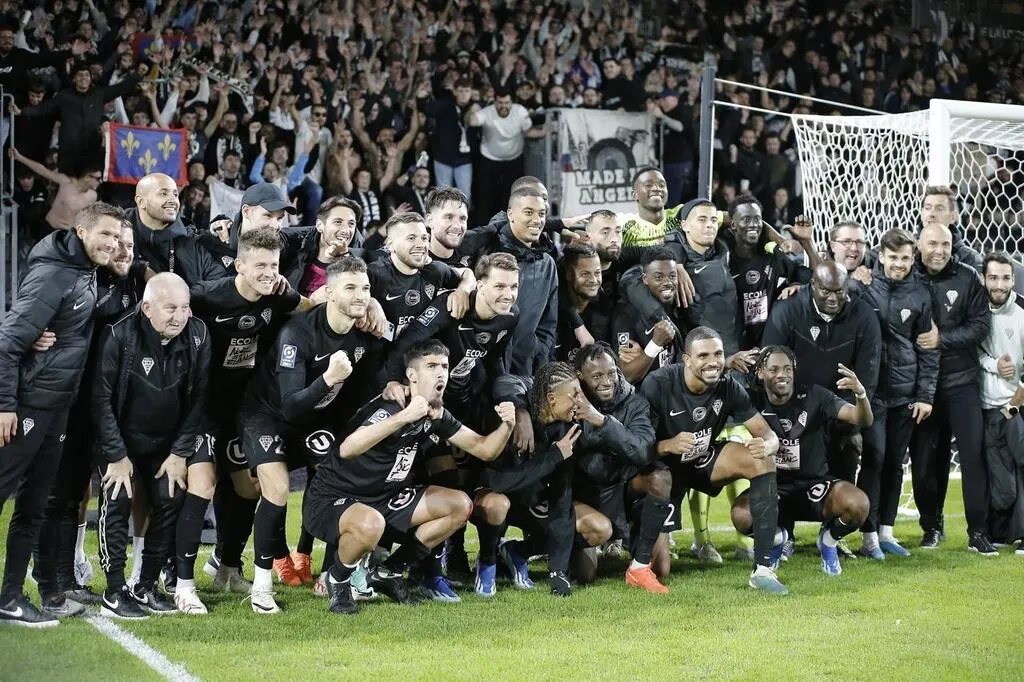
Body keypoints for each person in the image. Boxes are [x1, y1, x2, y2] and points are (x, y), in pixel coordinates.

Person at [303, 340, 517, 615]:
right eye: (431, 366)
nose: (441, 373)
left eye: (444, 366)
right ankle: (338, 578)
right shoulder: (392, 405)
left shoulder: (434, 411)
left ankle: (388, 572)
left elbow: (484, 449)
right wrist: (403, 417)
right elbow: (347, 448)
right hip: (334, 498)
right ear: (412, 375)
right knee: (370, 524)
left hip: (384, 498)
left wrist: (507, 426)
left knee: (460, 505)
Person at [0, 202, 122, 628]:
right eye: (105, 234)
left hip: (56, 407)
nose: (112, 243)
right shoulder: (55, 272)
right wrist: (5, 406)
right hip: (27, 406)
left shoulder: (83, 270)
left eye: (118, 237)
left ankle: (11, 597)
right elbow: (7, 342)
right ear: (82, 231)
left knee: (33, 507)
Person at [239, 257, 385, 613]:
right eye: (351, 288)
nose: (360, 295)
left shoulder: (363, 330)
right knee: (274, 489)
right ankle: (261, 586)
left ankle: (332, 576)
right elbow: (289, 405)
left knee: (341, 475)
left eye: (365, 288)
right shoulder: (298, 334)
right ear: (329, 292)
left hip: (314, 417)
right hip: (269, 416)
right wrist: (329, 378)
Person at [380, 253, 520, 599]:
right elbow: (407, 342)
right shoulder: (452, 306)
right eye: (500, 285)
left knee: (460, 487)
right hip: (424, 410)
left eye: (514, 286)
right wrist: (393, 382)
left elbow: (496, 362)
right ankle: (424, 570)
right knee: (438, 483)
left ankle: (445, 561)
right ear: (480, 284)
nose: (508, 293)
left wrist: (507, 401)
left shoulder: (508, 320)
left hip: (462, 412)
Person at [185, 228, 307, 612]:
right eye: (260, 265)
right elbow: (163, 313)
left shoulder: (278, 294)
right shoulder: (207, 295)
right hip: (201, 406)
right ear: (239, 265)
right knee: (199, 486)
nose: (268, 272)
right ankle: (177, 580)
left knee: (246, 489)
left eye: (273, 265)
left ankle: (227, 568)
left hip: (243, 407)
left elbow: (306, 305)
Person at [33, 223, 145, 613]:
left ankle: (65, 578)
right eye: (117, 245)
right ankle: (50, 581)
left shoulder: (136, 282)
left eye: (130, 245)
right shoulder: (80, 282)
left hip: (104, 404)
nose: (124, 251)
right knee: (59, 493)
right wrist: (36, 333)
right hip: (68, 401)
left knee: (75, 490)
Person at [91, 273, 211, 618]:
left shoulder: (199, 335)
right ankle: (114, 593)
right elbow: (100, 401)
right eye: (170, 307)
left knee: (170, 499)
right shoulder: (119, 335)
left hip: (166, 444)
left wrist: (179, 453)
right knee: (117, 499)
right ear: (146, 308)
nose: (180, 316)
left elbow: (200, 400)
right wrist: (116, 456)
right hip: (121, 442)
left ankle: (144, 587)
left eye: (185, 308)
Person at [639, 327, 789, 594]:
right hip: (664, 472)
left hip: (701, 461)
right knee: (660, 569)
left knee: (763, 460)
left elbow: (769, 435)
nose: (713, 362)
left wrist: (765, 445)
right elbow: (638, 447)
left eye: (718, 354)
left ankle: (763, 569)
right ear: (686, 360)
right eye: (704, 355)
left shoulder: (728, 386)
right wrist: (667, 445)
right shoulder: (658, 384)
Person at [739, 346, 873, 575]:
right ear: (761, 373)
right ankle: (778, 539)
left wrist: (860, 394)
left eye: (787, 369)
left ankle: (828, 541)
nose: (782, 374)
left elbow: (862, 418)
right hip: (772, 487)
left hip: (814, 486)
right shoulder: (750, 399)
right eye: (774, 369)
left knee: (858, 504)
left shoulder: (815, 395)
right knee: (741, 515)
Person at [850, 229, 938, 559]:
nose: (899, 264)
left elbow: (929, 349)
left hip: (905, 393)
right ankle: (868, 535)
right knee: (874, 458)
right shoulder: (863, 286)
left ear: (911, 258)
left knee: (896, 464)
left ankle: (886, 531)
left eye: (905, 258)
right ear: (881, 256)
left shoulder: (921, 294)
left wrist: (926, 395)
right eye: (893, 257)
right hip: (871, 395)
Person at [910, 224, 994, 553]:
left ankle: (978, 531)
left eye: (945, 243)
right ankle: (931, 526)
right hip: (922, 388)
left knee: (973, 456)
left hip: (962, 383)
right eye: (932, 243)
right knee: (926, 458)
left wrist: (941, 339)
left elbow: (980, 325)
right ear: (920, 244)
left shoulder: (969, 277)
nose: (939, 250)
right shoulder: (907, 275)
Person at [762, 261, 882, 483]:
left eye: (839, 291)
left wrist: (852, 428)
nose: (833, 298)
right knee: (784, 491)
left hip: (839, 416)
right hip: (792, 416)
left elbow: (867, 378)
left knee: (844, 490)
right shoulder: (787, 310)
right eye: (825, 291)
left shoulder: (864, 317)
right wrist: (782, 421)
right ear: (812, 285)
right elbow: (770, 367)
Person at [571, 344, 672, 593]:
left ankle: (639, 565)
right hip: (585, 495)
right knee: (585, 575)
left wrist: (602, 422)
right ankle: (525, 549)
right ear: (580, 377)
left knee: (662, 568)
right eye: (596, 376)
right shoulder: (569, 401)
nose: (606, 382)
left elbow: (641, 452)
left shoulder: (635, 402)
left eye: (611, 373)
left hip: (624, 490)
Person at [459, 184, 559, 377]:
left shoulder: (547, 263)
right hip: (482, 373)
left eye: (541, 214)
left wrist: (539, 359)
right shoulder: (487, 252)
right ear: (510, 214)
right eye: (528, 212)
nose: (537, 220)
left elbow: (548, 323)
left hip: (526, 371)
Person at [977, 252, 1024, 550]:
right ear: (984, 278)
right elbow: (973, 352)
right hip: (986, 409)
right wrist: (995, 366)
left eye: (1005, 278)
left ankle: (1020, 536)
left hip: (1014, 408)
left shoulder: (1021, 315)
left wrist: (1015, 403)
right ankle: (1002, 532)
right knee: (1003, 485)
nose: (999, 284)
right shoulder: (976, 313)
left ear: (1013, 280)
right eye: (993, 277)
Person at [368, 212, 476, 341]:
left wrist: (463, 290)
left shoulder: (435, 270)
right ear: (390, 245)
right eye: (411, 238)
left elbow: (467, 273)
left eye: (424, 238)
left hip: (417, 352)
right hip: (376, 353)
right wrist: (369, 302)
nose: (421, 245)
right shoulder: (374, 273)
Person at [127, 173, 221, 285]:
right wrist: (140, 269)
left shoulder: (193, 243)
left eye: (175, 195)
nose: (173, 201)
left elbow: (220, 285)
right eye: (163, 193)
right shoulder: (115, 234)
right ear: (141, 202)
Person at [467, 89, 544, 224]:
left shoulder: (520, 111)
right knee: (485, 198)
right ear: (495, 102)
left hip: (514, 158)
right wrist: (472, 109)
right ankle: (484, 232)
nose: (504, 106)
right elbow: (472, 121)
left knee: (511, 197)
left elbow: (527, 132)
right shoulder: (488, 111)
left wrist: (545, 131)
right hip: (488, 158)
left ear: (512, 102)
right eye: (500, 103)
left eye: (507, 102)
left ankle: (508, 230)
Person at [613, 246, 682, 383]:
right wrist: (655, 344)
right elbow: (626, 375)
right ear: (645, 278)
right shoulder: (625, 314)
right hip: (645, 396)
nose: (667, 282)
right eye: (659, 277)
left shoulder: (680, 303)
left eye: (672, 276)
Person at [9, 147, 100, 232]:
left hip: (67, 234)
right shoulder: (66, 182)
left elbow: (88, 219)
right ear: (87, 177)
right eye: (97, 179)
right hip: (48, 228)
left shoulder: (92, 196)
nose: (99, 182)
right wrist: (19, 157)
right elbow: (42, 171)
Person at [556, 244, 613, 363]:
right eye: (585, 274)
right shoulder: (552, 311)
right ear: (568, 274)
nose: (593, 280)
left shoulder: (606, 308)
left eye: (597, 273)